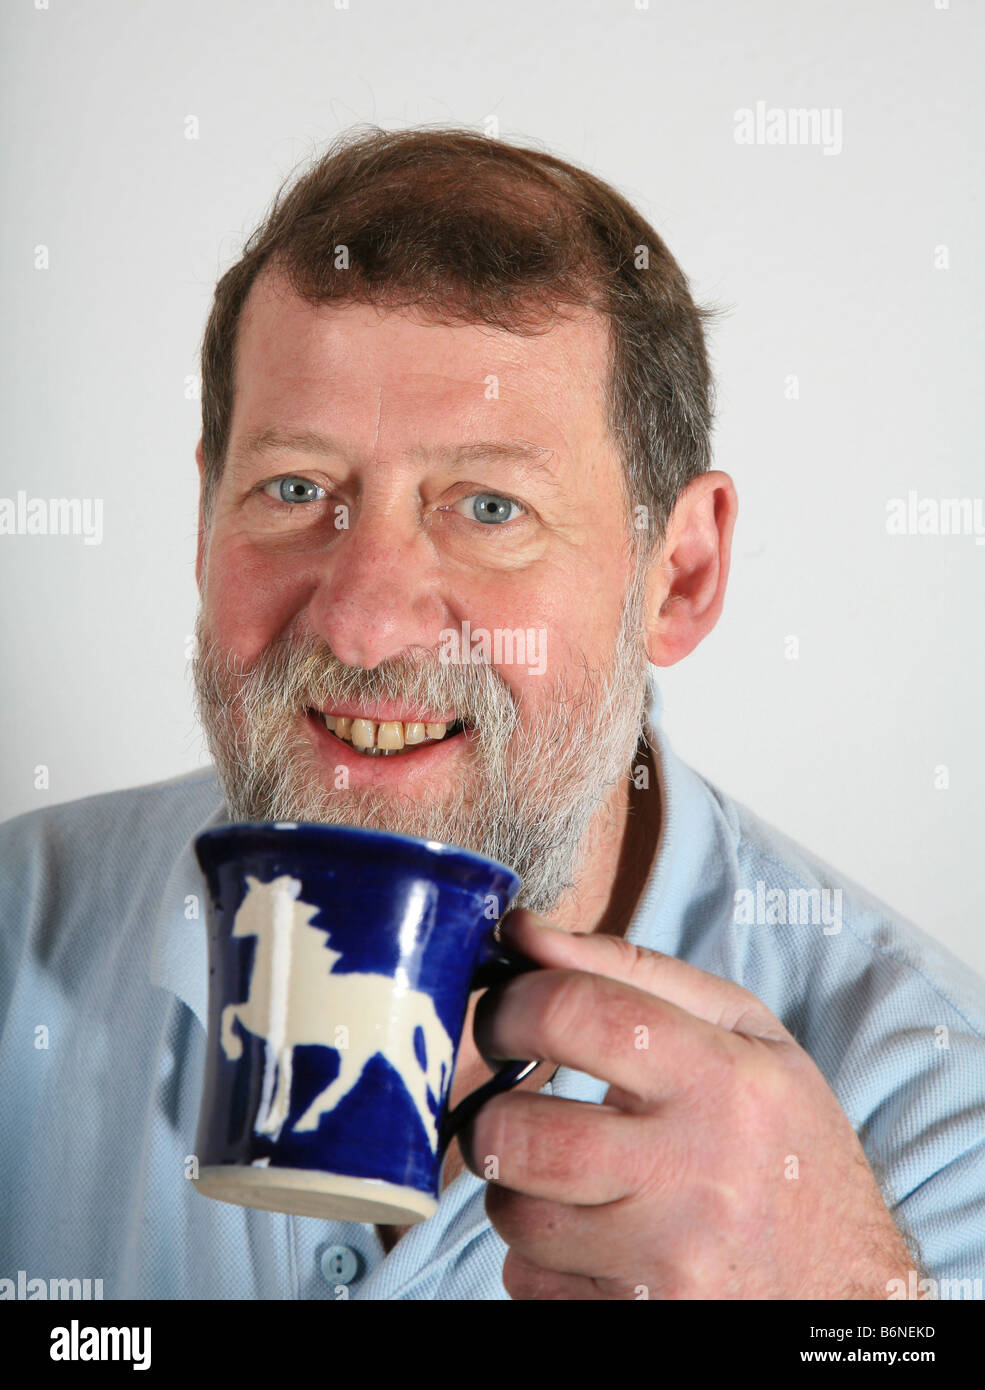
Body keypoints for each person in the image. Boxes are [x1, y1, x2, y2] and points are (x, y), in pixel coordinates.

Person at [1, 125, 982, 1302]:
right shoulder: (19, 937)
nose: (363, 623)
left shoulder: (932, 1115)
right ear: (205, 518)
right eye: (296, 488)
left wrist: (842, 1301)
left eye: (487, 505)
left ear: (678, 575)